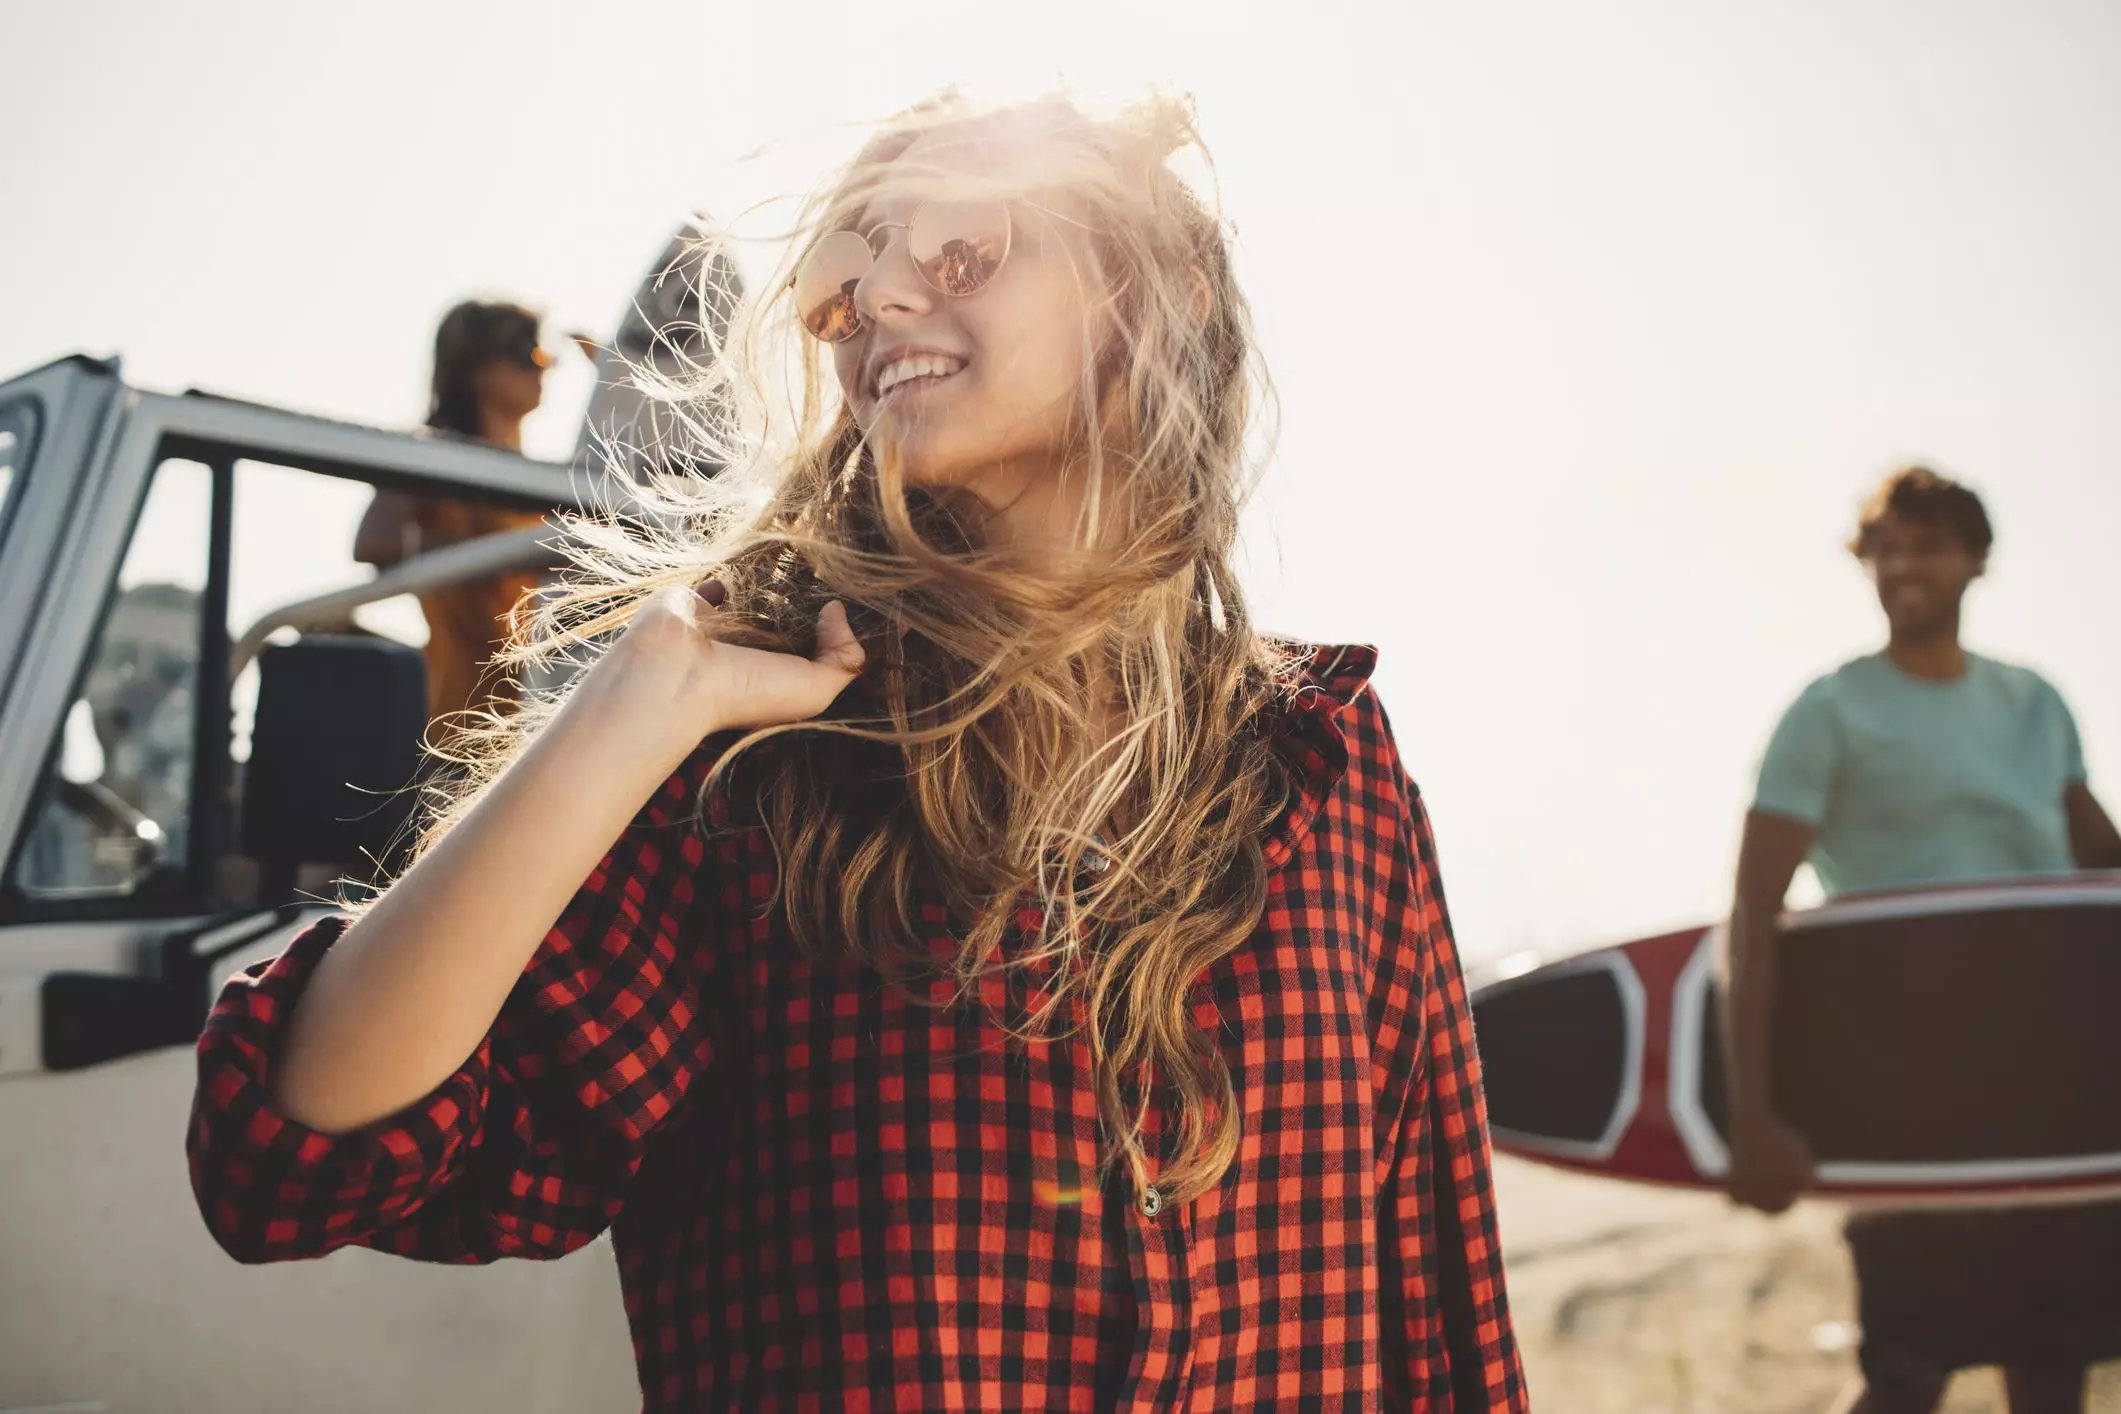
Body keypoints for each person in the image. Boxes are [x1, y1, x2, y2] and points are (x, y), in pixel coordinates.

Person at [184, 92, 1526, 1409]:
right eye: (847, 269)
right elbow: (287, 1161)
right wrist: (624, 714)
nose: (876, 298)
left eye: (956, 245)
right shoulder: (750, 779)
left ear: (1153, 290)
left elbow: (1443, 1315)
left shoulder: (1329, 771)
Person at [1724, 466, 2121, 1414]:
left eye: (1927, 544)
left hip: (2044, 1088)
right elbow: (1751, 916)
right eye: (1884, 548)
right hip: (1904, 1093)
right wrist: (1751, 1111)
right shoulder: (1828, 714)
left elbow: (2101, 875)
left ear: (1974, 559)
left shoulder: (2034, 704)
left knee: (2053, 1367)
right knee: (1904, 1375)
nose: (1903, 566)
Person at [353, 299, 558, 723]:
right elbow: (374, 543)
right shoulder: (431, 458)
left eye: (546, 355)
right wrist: (494, 552)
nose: (543, 366)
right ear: (474, 368)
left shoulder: (543, 481)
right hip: (462, 724)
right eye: (528, 353)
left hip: (546, 716)